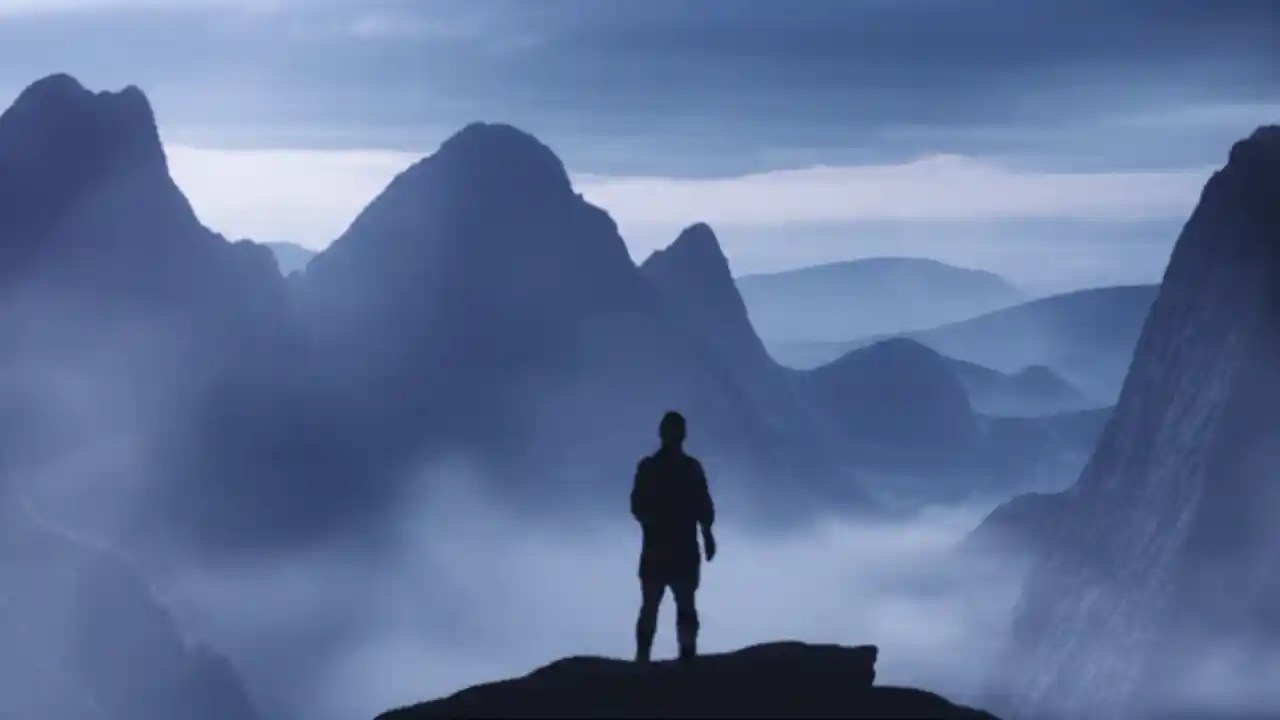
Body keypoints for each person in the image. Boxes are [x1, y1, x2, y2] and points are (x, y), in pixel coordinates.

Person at [630, 410, 716, 663]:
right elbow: (703, 506)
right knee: (672, 606)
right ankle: (674, 658)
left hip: (664, 548)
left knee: (659, 606)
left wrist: (707, 533)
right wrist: (707, 534)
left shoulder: (654, 467)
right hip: (674, 548)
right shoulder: (685, 468)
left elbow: (637, 506)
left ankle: (649, 659)